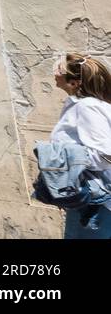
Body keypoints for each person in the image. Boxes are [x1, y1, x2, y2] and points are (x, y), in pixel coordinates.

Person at [50, 53, 111, 238]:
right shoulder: (86, 105)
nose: (55, 73)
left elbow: (104, 155)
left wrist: (63, 158)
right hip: (89, 197)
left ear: (74, 82)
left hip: (95, 202)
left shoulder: (87, 107)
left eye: (59, 70)